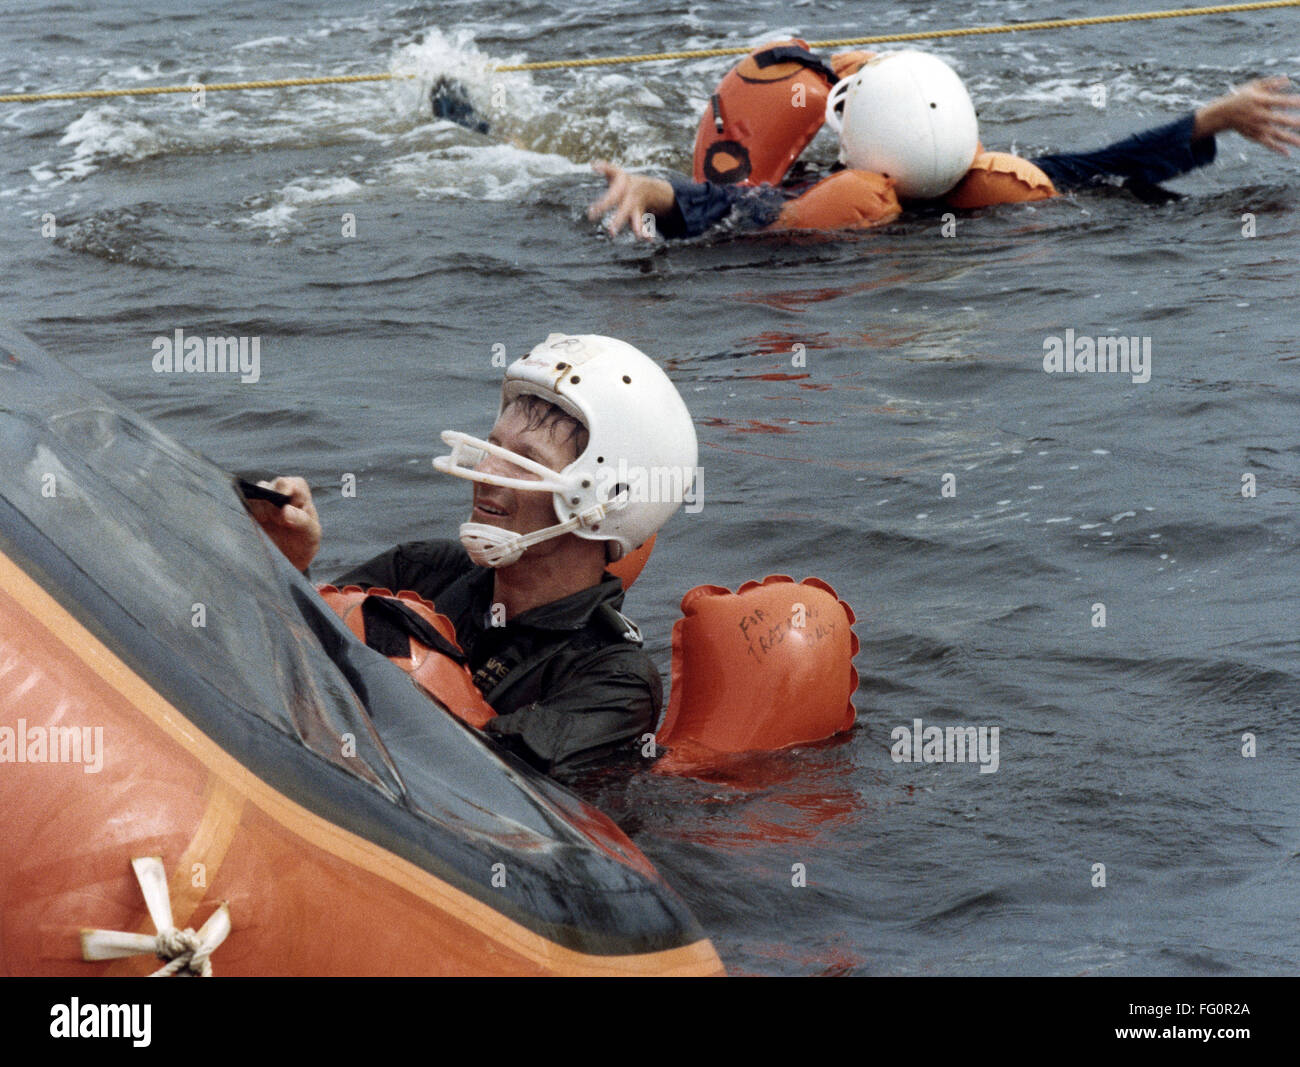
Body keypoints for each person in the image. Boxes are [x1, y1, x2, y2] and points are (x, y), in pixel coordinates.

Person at [248, 333, 699, 776]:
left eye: (524, 461)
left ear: (605, 501)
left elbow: (483, 783)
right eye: (493, 447)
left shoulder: (616, 682)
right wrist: (287, 566)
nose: (484, 472)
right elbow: (275, 644)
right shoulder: (421, 570)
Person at [587, 48, 1300, 240]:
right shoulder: (999, 192)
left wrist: (645, 190)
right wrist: (1214, 118)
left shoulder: (799, 199)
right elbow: (1107, 166)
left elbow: (710, 206)